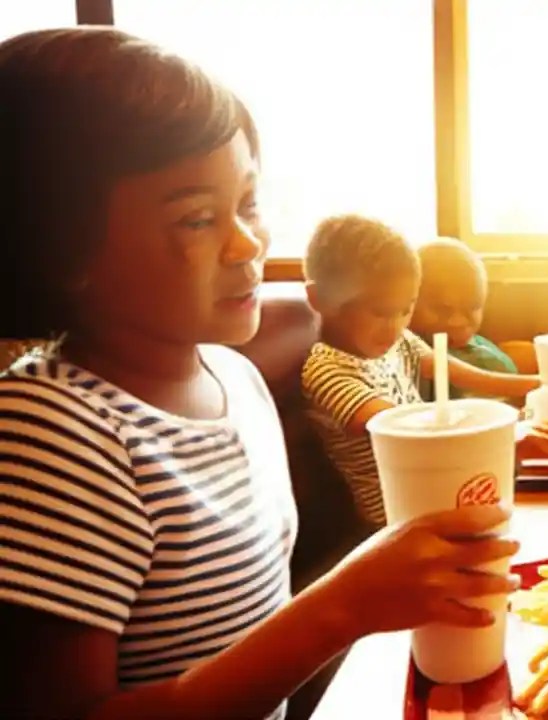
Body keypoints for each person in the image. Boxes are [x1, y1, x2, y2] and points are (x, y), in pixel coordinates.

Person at [0, 28, 520, 720]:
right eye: (196, 219)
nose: (249, 242)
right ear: (64, 254)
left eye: (246, 203)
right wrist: (340, 610)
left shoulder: (234, 379)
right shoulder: (50, 431)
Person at [301, 216, 538, 526]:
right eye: (381, 312)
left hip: (438, 488)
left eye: (406, 309)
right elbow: (399, 430)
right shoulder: (327, 371)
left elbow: (449, 368)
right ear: (322, 300)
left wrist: (536, 385)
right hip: (396, 522)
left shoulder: (395, 341)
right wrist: (505, 434)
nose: (397, 325)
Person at [410, 237, 521, 402]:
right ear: (409, 302)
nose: (458, 321)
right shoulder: (403, 356)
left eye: (472, 307)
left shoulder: (488, 358)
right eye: (442, 310)